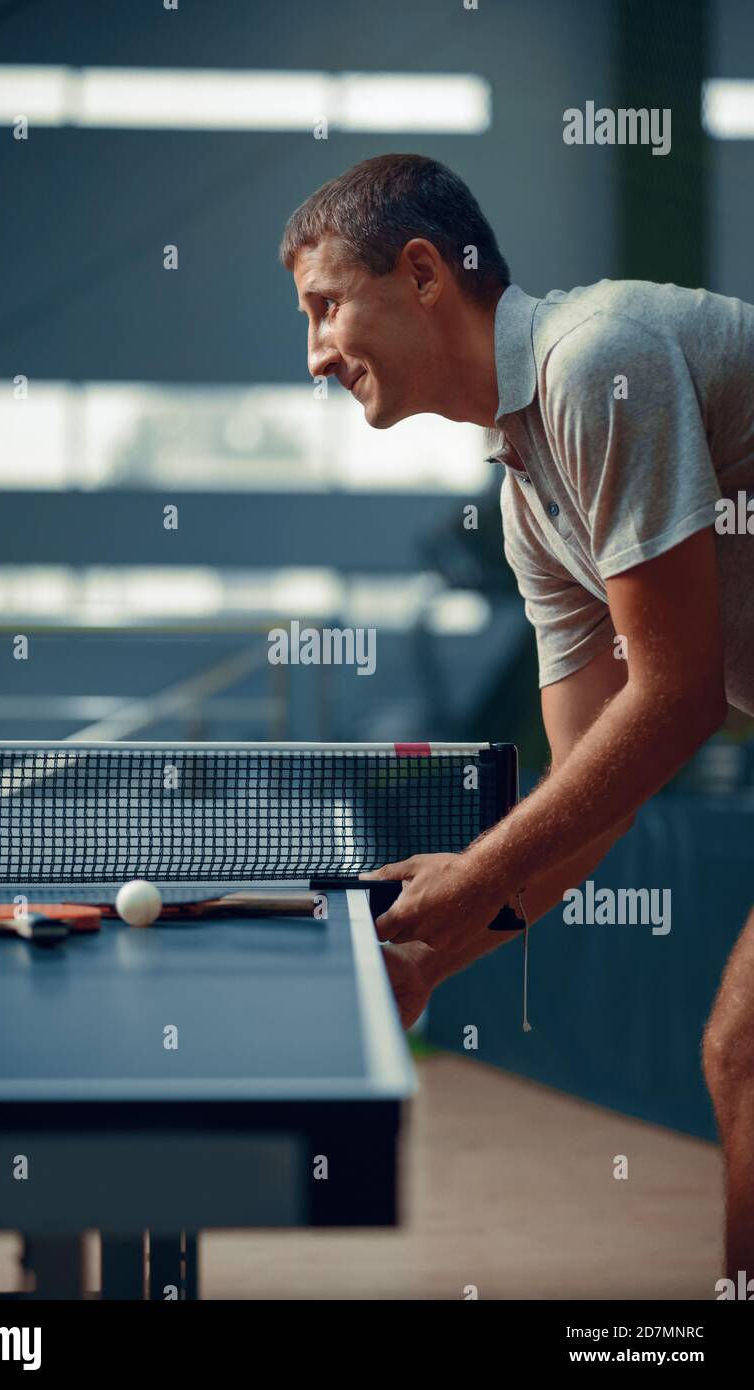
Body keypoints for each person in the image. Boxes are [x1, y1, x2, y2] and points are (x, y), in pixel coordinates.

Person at [280, 152, 754, 1280]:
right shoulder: (531, 505)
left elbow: (678, 697)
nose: (314, 356)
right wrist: (437, 956)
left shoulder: (598, 364)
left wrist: (472, 875)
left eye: (325, 306)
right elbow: (589, 795)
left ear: (425, 270)